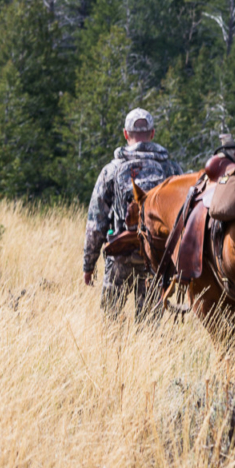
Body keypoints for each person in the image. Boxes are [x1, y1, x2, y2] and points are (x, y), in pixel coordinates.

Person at [83, 108, 184, 320]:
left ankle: (110, 353)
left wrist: (88, 265)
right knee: (149, 327)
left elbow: (96, 222)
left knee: (110, 320)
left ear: (125, 134)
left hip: (119, 253)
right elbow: (185, 219)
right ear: (153, 133)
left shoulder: (112, 169)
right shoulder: (171, 169)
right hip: (155, 258)